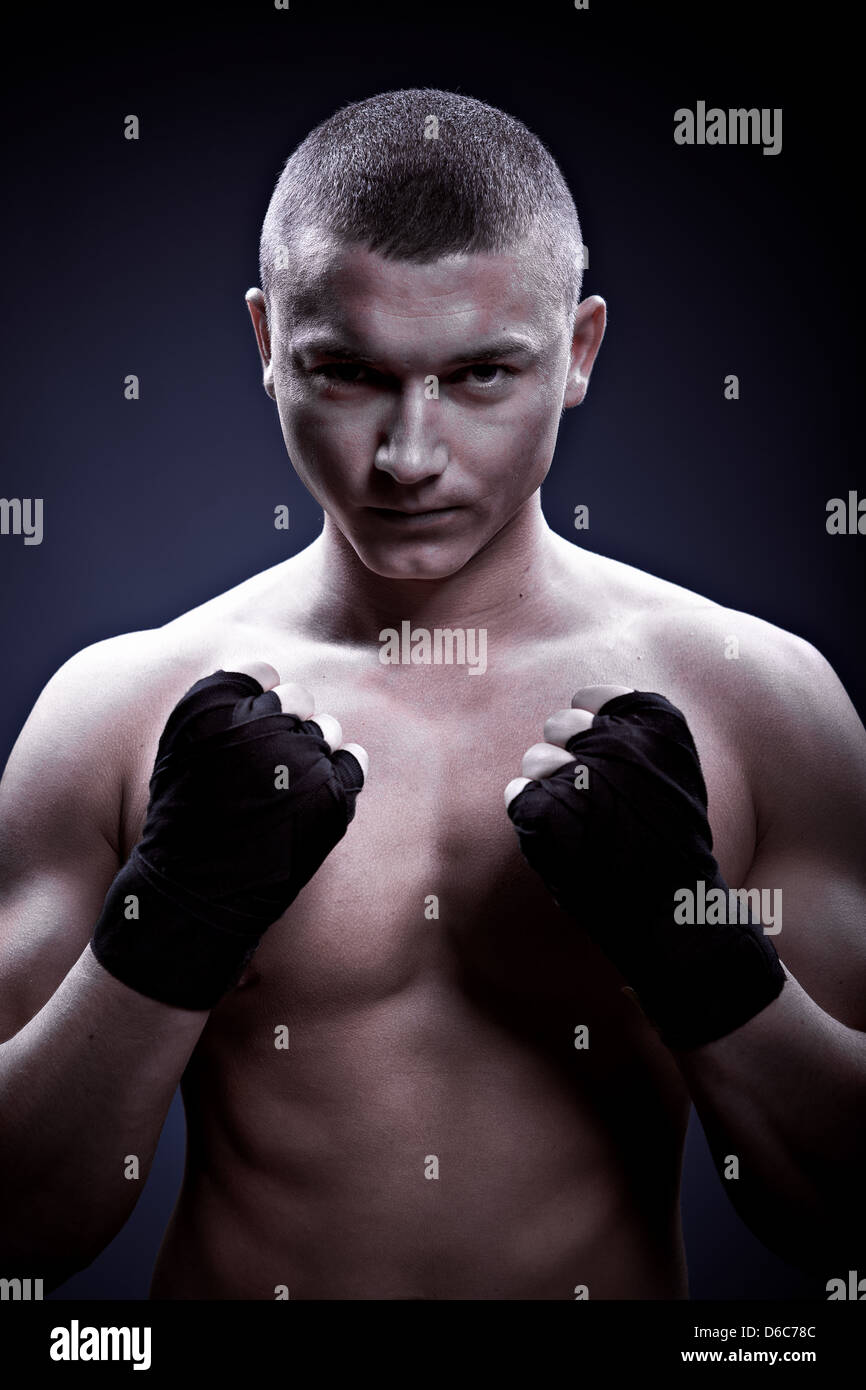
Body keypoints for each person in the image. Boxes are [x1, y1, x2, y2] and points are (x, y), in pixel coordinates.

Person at [1, 88, 864, 1301]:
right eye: (347, 372)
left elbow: (839, 1223)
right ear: (265, 346)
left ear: (577, 352)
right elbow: (24, 1229)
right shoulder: (120, 709)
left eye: (478, 375)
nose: (408, 455)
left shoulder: (756, 701)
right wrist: (170, 924)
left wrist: (697, 947)